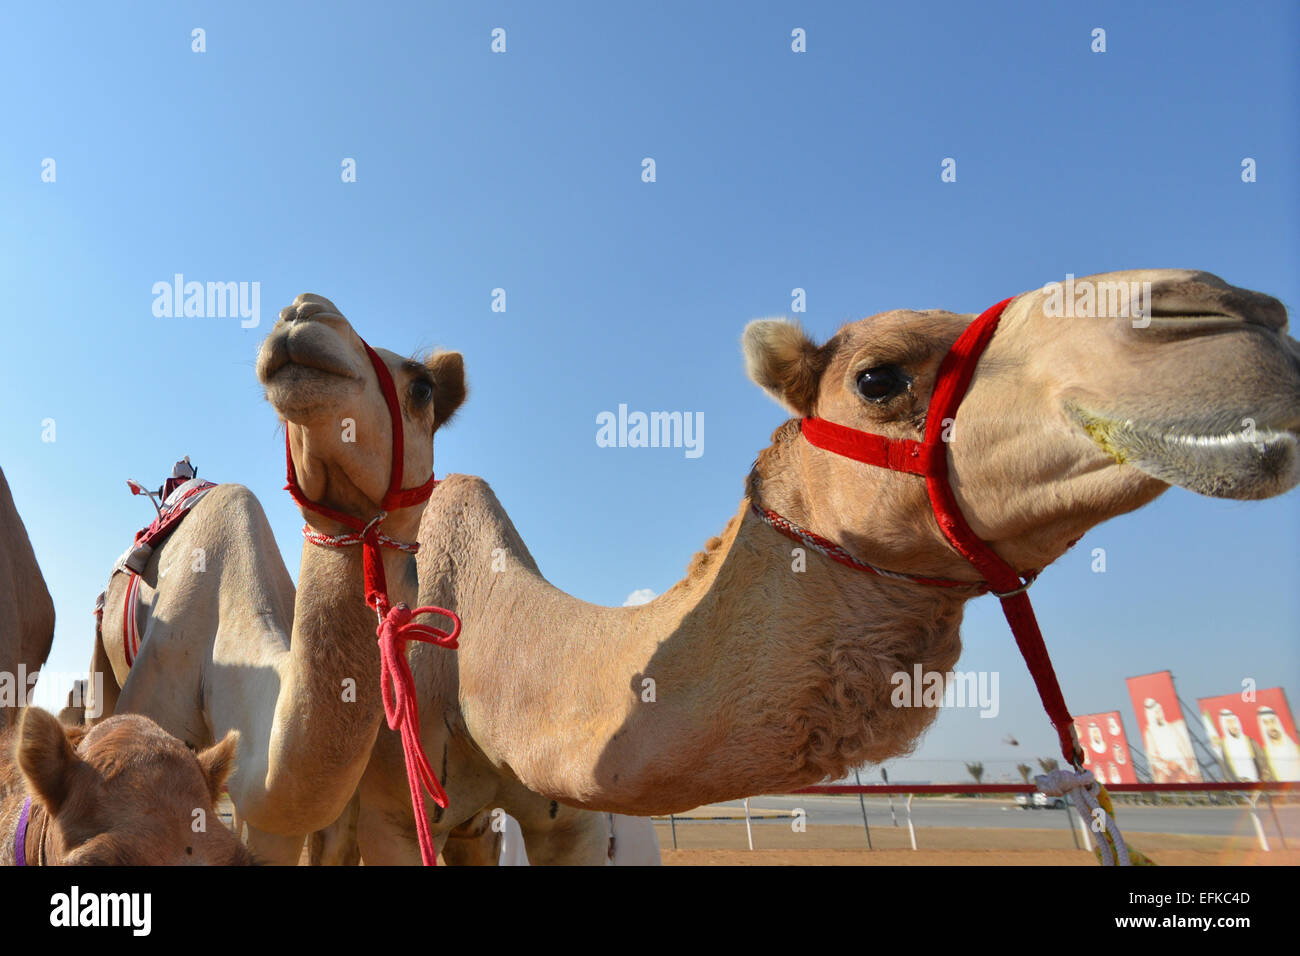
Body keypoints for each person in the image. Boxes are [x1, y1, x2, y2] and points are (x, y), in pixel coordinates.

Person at [1142, 698, 1199, 783]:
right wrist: (1167, 766)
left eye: (1159, 711)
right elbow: (1153, 757)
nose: (1159, 714)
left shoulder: (1172, 727)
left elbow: (1185, 749)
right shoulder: (1150, 733)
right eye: (1156, 712)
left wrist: (1188, 770)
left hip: (1183, 769)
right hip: (1168, 771)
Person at [1258, 706, 1300, 782]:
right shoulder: (1264, 755)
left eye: (1273, 721)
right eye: (1266, 723)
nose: (1271, 727)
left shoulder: (1296, 748)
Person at [1219, 710, 1260, 783]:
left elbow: (1261, 763)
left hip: (1256, 784)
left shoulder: (1250, 741)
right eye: (1229, 722)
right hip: (1237, 787)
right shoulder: (1223, 746)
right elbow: (1224, 768)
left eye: (1234, 721)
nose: (1233, 725)